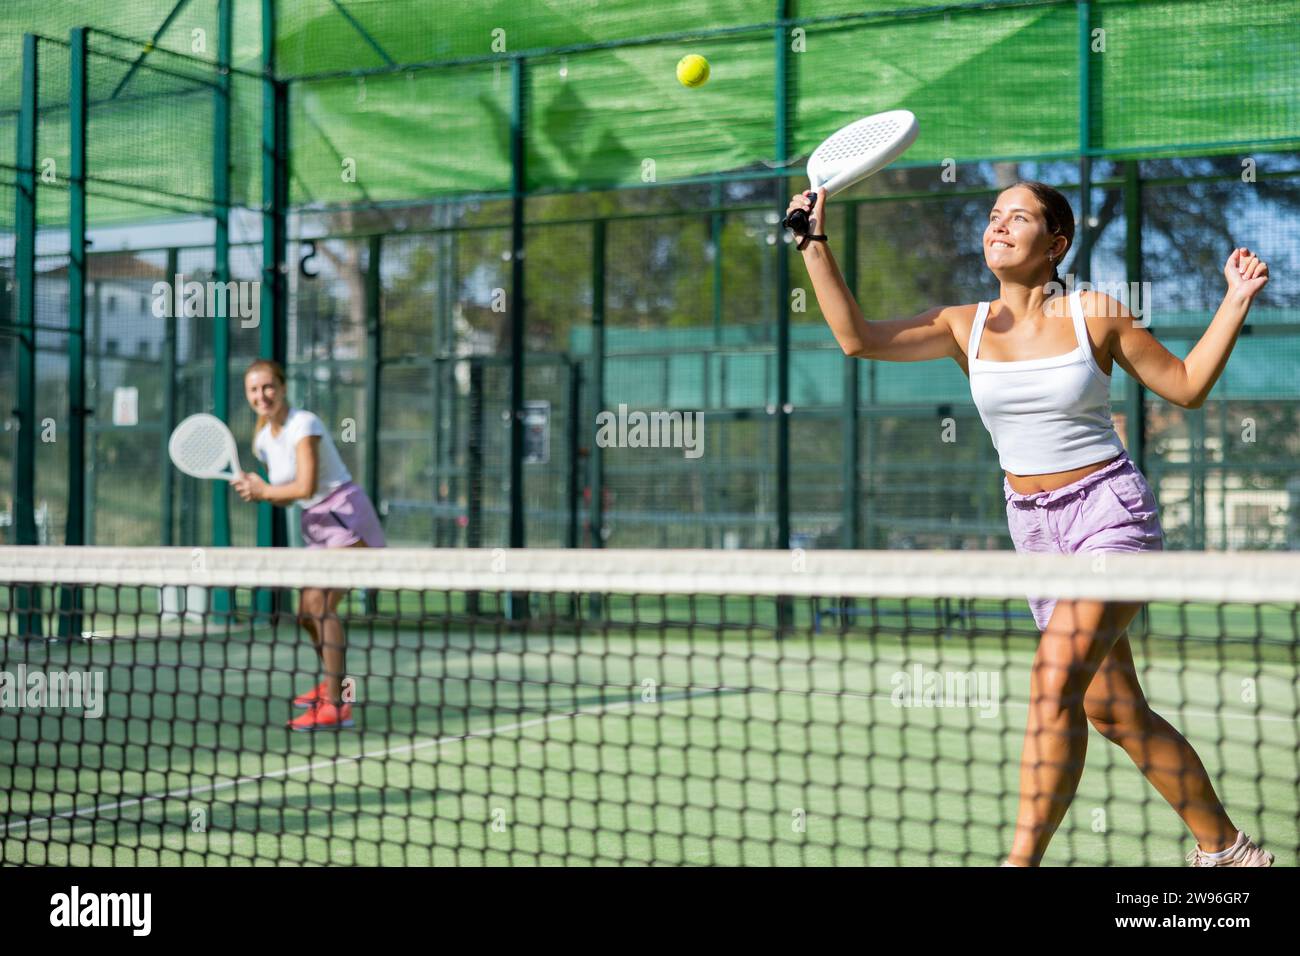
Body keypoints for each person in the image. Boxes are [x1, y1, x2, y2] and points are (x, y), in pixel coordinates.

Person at [788, 180, 1273, 867]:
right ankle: (1228, 850)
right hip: (1035, 532)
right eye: (992, 217)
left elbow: (1187, 386)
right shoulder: (964, 326)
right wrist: (812, 242)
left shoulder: (1096, 315)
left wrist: (1234, 300)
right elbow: (856, 338)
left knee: (1052, 681)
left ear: (1055, 246)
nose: (998, 226)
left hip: (1110, 517)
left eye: (1018, 217)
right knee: (1112, 711)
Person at [232, 359, 387, 732]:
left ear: (282, 388)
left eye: (268, 386)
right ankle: (336, 684)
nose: (261, 395)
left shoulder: (306, 425)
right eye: (254, 389)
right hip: (316, 527)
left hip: (347, 521)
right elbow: (288, 497)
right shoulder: (263, 440)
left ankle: (336, 703)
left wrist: (266, 490)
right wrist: (261, 493)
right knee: (305, 612)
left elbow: (304, 485)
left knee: (319, 603)